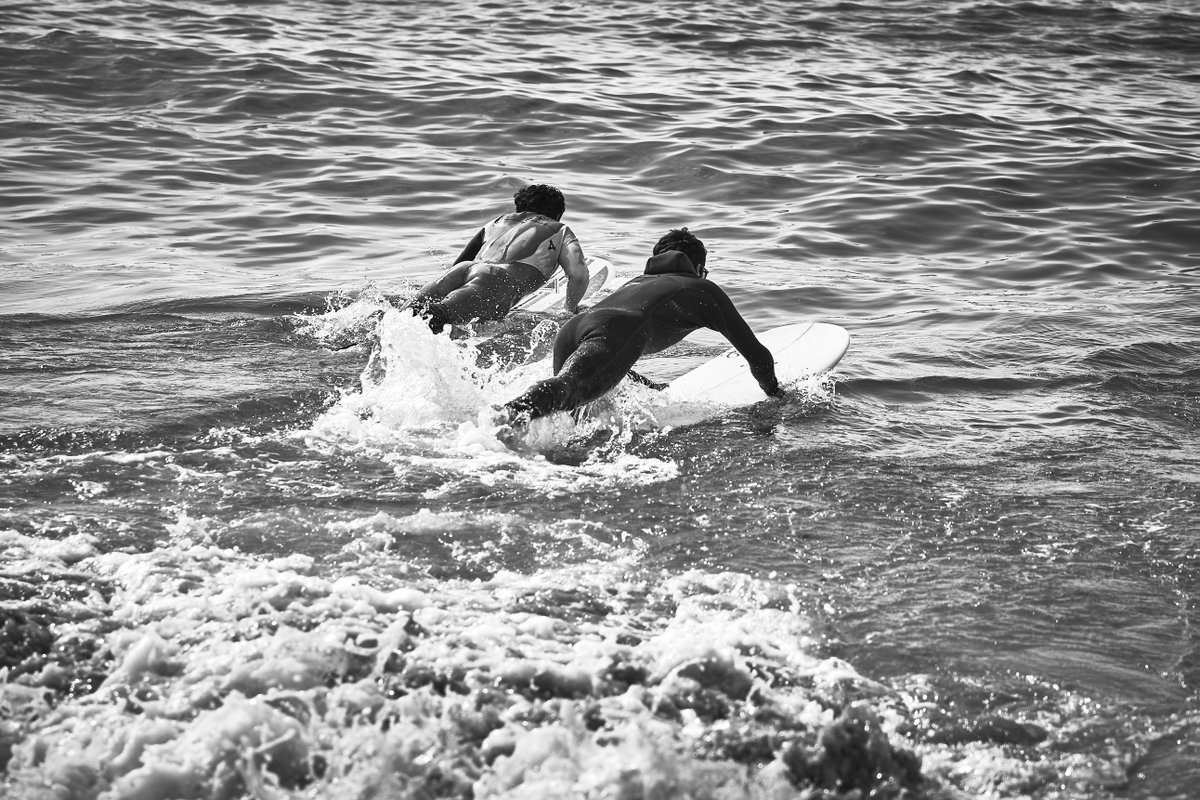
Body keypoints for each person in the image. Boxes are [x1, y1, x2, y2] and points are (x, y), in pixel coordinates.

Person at [499, 228, 782, 427]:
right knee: (568, 391)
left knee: (568, 411)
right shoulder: (701, 288)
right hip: (615, 329)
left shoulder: (636, 284)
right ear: (698, 268)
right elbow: (757, 356)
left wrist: (649, 387)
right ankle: (503, 417)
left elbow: (614, 357)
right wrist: (776, 395)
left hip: (574, 329)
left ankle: (513, 431)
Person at [408, 184, 589, 333]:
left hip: (463, 269)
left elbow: (459, 263)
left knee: (406, 314)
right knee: (435, 318)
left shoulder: (496, 222)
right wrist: (569, 311)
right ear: (557, 215)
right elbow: (579, 275)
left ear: (520, 208)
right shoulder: (560, 230)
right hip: (495, 281)